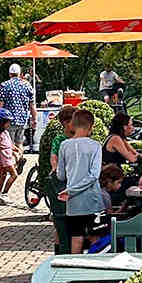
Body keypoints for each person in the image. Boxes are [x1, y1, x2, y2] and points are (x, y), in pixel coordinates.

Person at [56, 108, 105, 254]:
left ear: (73, 124)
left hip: (73, 202)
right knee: (97, 238)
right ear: (91, 127)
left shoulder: (64, 145)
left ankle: (73, 270)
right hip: (93, 201)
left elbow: (61, 175)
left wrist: (71, 190)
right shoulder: (96, 146)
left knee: (76, 239)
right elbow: (94, 175)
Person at [0, 63, 37, 147]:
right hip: (22, 119)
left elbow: (0, 105)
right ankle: (19, 158)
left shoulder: (5, 85)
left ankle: (13, 160)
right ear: (20, 74)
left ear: (9, 74)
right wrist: (34, 119)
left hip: (8, 120)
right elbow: (32, 105)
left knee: (9, 144)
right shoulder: (27, 85)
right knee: (19, 143)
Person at [0, 109, 21, 205]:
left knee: (3, 176)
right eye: (8, 122)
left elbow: (10, 144)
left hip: (8, 156)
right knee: (14, 175)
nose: (9, 124)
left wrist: (15, 148)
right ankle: (4, 194)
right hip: (4, 158)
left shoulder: (5, 132)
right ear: (1, 122)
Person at [50, 105, 76, 172]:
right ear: (65, 123)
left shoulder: (79, 137)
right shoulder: (59, 140)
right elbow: (54, 155)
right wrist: (55, 167)